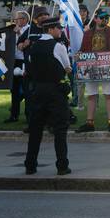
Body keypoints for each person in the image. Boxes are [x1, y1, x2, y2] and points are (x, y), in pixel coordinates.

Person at [24, 17, 72, 175]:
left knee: (35, 129)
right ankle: (62, 166)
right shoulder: (58, 46)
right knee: (60, 129)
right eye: (59, 28)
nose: (60, 31)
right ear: (51, 29)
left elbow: (29, 67)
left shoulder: (34, 46)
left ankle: (30, 165)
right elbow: (67, 67)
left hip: (37, 91)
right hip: (55, 91)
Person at [78, 9, 110, 134]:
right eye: (102, 17)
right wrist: (79, 54)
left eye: (106, 17)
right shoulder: (88, 33)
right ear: (95, 19)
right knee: (91, 95)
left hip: (107, 68)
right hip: (91, 67)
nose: (105, 19)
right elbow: (83, 50)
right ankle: (90, 122)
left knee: (109, 94)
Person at [6, 9, 30, 122]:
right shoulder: (13, 30)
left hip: (25, 61)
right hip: (14, 61)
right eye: (15, 19)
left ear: (24, 19)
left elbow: (25, 42)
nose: (15, 21)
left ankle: (29, 115)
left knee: (26, 89)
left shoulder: (29, 30)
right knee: (14, 89)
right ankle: (14, 115)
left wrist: (19, 33)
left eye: (17, 19)